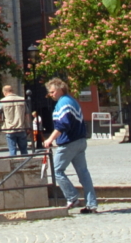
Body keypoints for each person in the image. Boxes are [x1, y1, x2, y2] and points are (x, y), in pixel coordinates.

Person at [43, 78, 96, 214]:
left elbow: (63, 124)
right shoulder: (72, 100)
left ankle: (72, 197)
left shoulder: (63, 103)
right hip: (80, 141)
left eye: (53, 92)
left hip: (69, 143)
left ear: (60, 89)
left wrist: (50, 139)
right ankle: (91, 204)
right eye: (50, 93)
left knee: (57, 170)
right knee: (83, 173)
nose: (51, 95)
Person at [0, 85, 30, 156]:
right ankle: (26, 162)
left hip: (10, 129)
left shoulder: (3, 101)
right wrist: (28, 126)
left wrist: (3, 120)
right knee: (24, 150)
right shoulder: (22, 99)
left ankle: (13, 162)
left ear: (4, 92)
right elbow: (27, 115)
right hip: (21, 127)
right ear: (12, 90)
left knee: (12, 151)